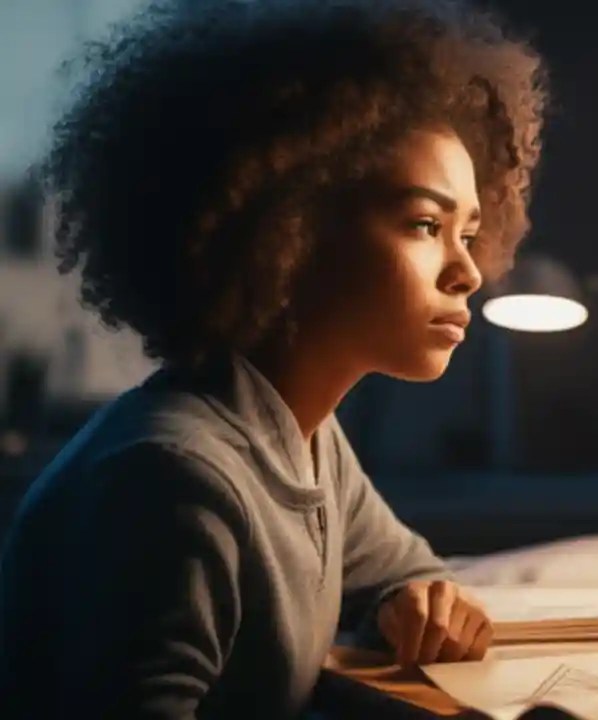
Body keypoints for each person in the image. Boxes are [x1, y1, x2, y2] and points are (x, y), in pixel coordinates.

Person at [0, 0, 545, 717]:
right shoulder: (176, 480)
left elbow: (402, 571)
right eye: (423, 224)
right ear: (284, 230)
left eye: (468, 234)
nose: (468, 274)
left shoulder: (304, 440)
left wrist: (416, 601)